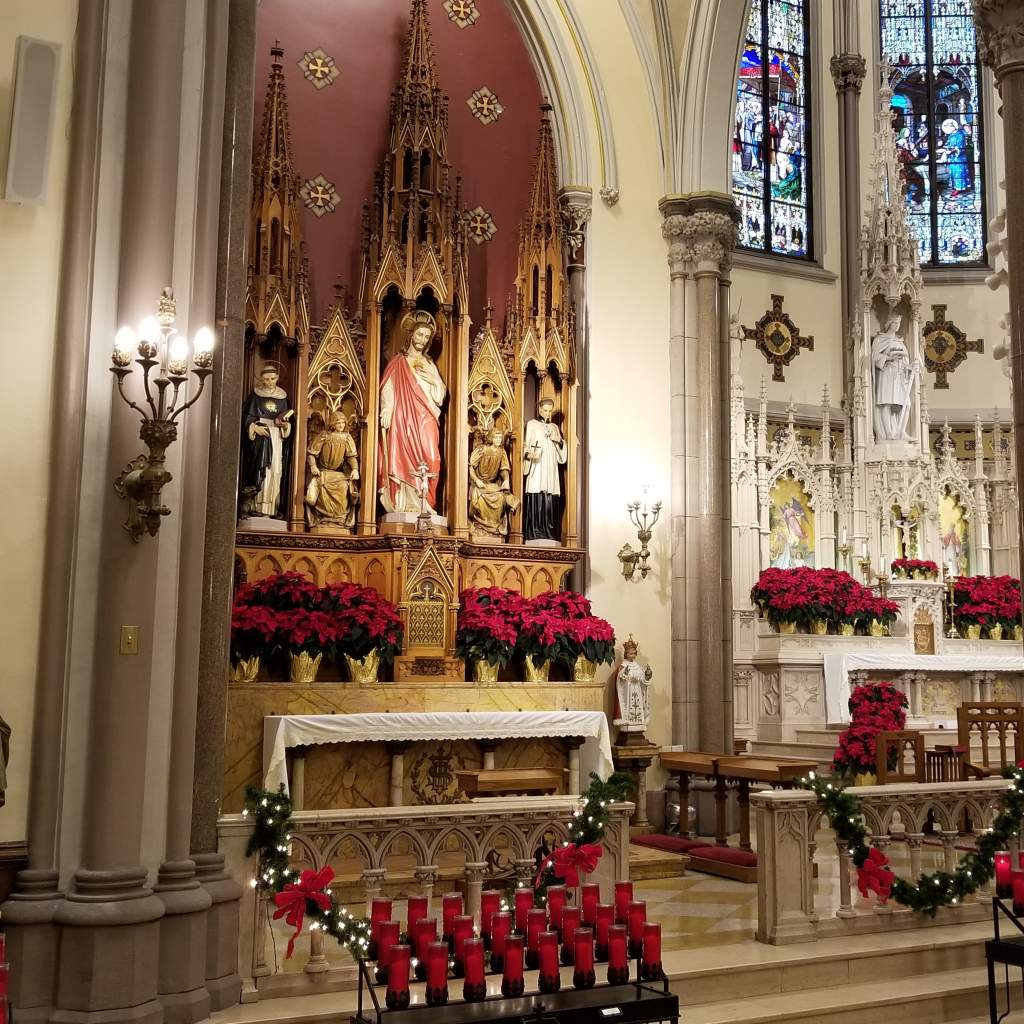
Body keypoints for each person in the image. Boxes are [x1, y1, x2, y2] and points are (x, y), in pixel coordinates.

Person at [378, 310, 446, 515]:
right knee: (401, 455)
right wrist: (387, 408)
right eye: (420, 335)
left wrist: (433, 380)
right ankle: (403, 502)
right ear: (411, 335)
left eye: (427, 337)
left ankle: (425, 503)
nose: (423, 340)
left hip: (427, 417)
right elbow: (388, 386)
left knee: (432, 457)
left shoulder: (430, 364)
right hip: (403, 417)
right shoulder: (399, 361)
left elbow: (440, 396)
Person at [240, 363, 294, 518]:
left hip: (277, 437)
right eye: (266, 379)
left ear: (277, 378)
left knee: (275, 471)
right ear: (262, 380)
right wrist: (253, 427)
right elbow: (246, 418)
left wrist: (285, 425)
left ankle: (273, 508)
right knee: (260, 469)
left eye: (272, 379)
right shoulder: (255, 396)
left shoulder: (283, 397)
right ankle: (255, 505)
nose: (269, 382)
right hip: (260, 438)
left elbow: (291, 421)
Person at [304, 410, 360, 530]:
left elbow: (351, 457)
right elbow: (311, 453)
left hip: (338, 473)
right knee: (321, 484)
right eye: (338, 423)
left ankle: (339, 519)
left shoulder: (347, 438)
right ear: (333, 424)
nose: (341, 425)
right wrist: (313, 466)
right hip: (323, 471)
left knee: (344, 486)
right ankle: (323, 518)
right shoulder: (324, 435)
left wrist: (355, 469)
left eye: (343, 423)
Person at [523, 398, 567, 543]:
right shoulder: (531, 425)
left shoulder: (554, 427)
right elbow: (525, 446)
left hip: (551, 467)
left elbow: (562, 454)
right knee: (537, 494)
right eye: (545, 410)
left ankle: (550, 531)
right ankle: (535, 531)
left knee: (550, 497)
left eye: (550, 411)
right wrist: (529, 454)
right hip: (537, 465)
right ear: (540, 410)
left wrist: (558, 440)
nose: (548, 414)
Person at [468, 428, 520, 542]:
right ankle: (480, 525)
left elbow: (504, 469)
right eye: (496, 437)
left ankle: (494, 527)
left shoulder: (501, 452)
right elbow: (471, 466)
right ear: (491, 437)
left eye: (500, 438)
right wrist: (477, 480)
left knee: (501, 498)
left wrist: (506, 480)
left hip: (492, 484)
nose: (498, 440)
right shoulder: (482, 449)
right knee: (479, 497)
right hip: (479, 484)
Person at [871, 313, 916, 441]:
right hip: (887, 373)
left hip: (900, 375)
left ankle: (901, 432)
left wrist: (910, 367)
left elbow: (905, 360)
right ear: (889, 324)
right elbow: (874, 357)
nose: (897, 326)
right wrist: (889, 358)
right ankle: (888, 433)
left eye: (899, 324)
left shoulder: (900, 341)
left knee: (906, 404)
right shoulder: (880, 339)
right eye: (895, 323)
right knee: (887, 403)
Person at [614, 637, 652, 735]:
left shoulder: (637, 666)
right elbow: (620, 679)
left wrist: (647, 676)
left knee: (638, 708)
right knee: (628, 708)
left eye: (634, 653)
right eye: (630, 653)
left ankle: (638, 725)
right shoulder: (623, 666)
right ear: (626, 654)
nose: (633, 655)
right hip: (628, 692)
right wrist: (625, 674)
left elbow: (642, 679)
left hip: (637, 691)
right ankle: (627, 724)